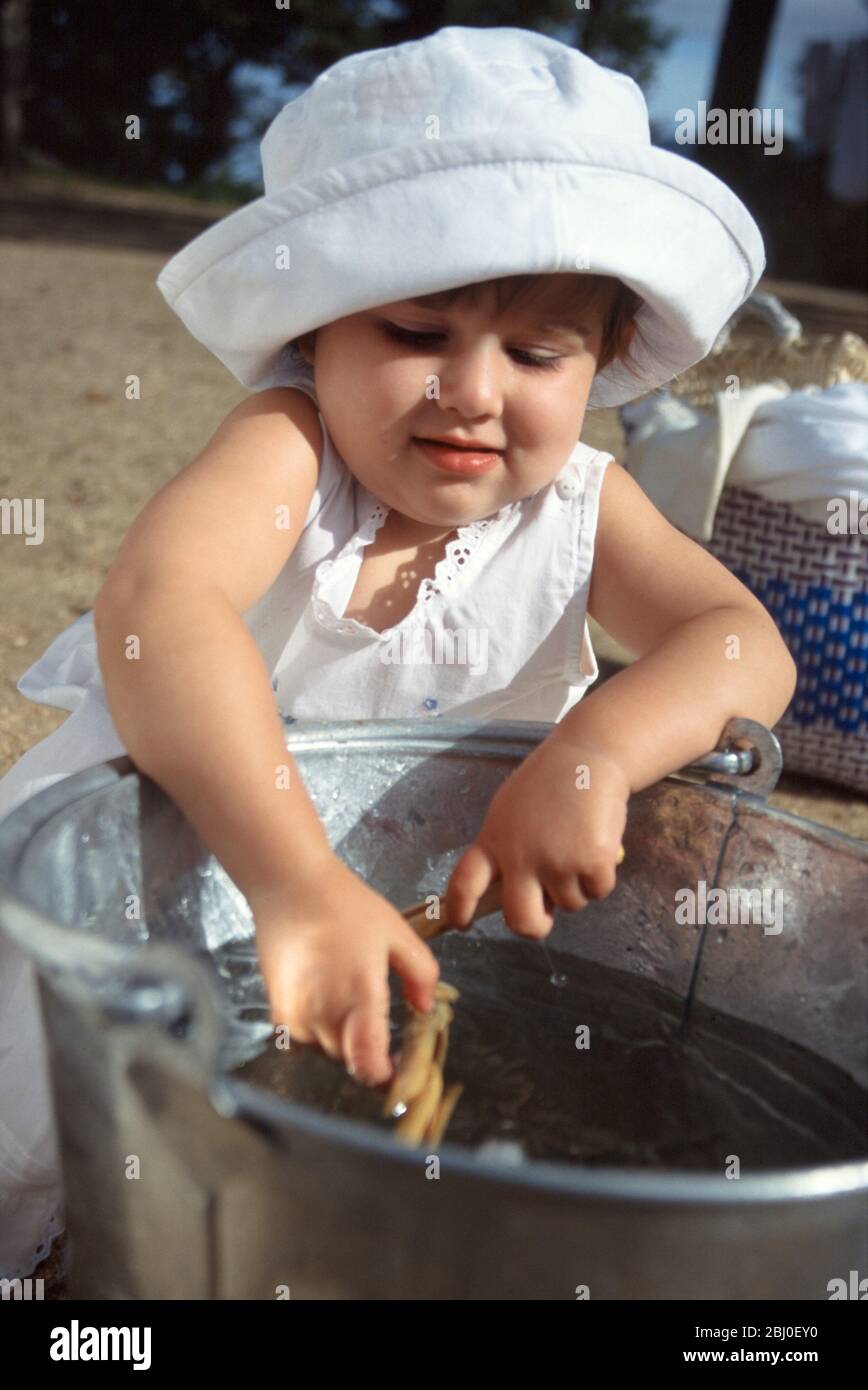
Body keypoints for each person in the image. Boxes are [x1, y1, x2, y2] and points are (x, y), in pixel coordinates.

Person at [0, 26, 797, 1279]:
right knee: (90, 1163)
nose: (473, 391)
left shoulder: (585, 507)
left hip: (408, 917)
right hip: (175, 887)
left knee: (355, 1176)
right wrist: (294, 878)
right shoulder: (292, 452)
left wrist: (597, 754)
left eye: (536, 353)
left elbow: (740, 639)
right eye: (417, 332)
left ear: (598, 364)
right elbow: (163, 603)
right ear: (316, 334)